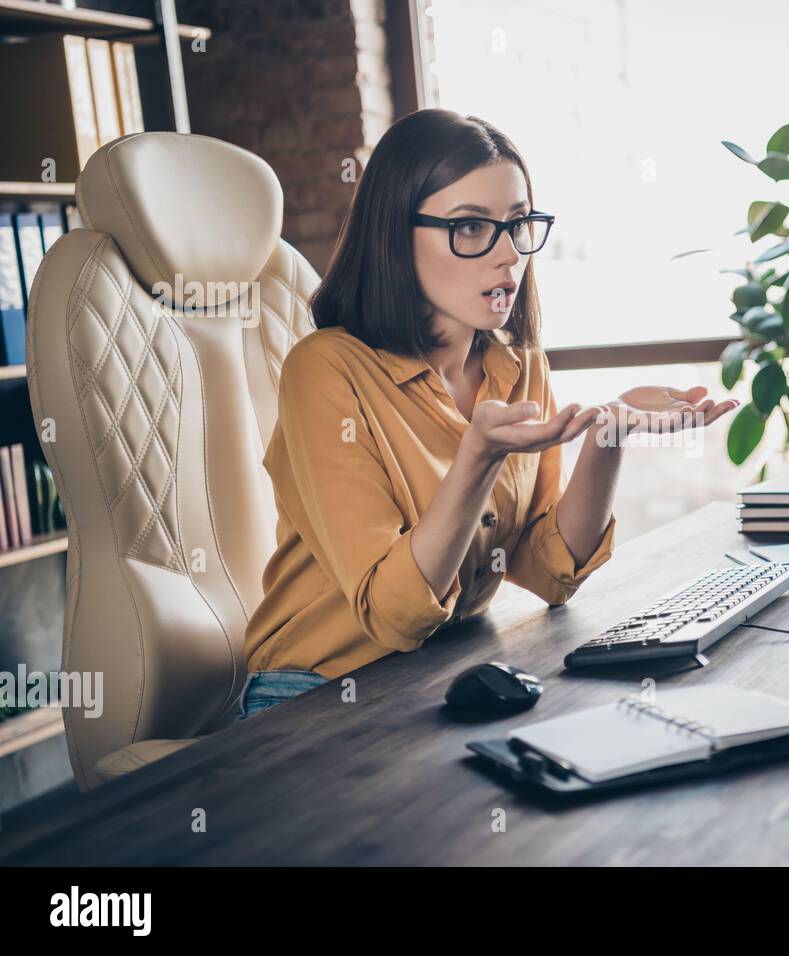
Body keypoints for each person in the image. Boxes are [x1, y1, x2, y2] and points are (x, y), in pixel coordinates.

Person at [237, 108, 737, 719]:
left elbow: (551, 571)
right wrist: (479, 455)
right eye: (470, 228)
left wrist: (610, 430)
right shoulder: (325, 369)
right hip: (311, 695)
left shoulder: (515, 363)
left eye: (518, 223)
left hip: (440, 673)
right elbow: (394, 616)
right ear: (395, 233)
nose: (507, 255)